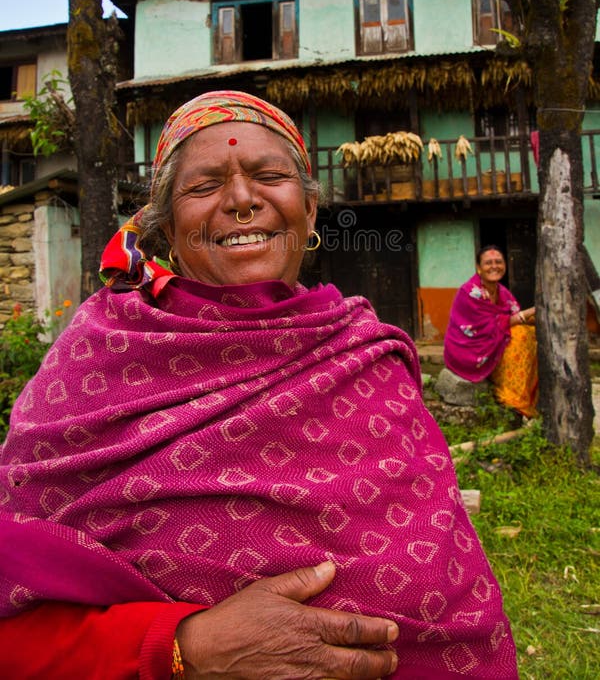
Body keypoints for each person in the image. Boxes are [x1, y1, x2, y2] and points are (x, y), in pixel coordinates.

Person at [0, 91, 518, 679]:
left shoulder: (366, 354)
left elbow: (451, 576)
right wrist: (181, 646)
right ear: (167, 225)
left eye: (270, 175)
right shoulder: (97, 359)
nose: (242, 200)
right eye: (204, 186)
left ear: (311, 210)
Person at [444, 245, 538, 418]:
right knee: (520, 335)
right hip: (468, 350)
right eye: (488, 263)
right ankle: (511, 396)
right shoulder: (470, 292)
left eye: (498, 262)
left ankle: (525, 394)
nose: (494, 266)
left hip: (489, 343)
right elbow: (491, 326)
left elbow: (511, 317)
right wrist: (531, 312)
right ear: (479, 268)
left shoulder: (502, 292)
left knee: (529, 333)